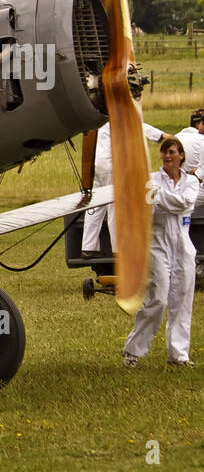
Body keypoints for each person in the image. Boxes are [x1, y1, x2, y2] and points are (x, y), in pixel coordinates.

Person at [122, 135, 201, 368]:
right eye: (165, 152)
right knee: (158, 298)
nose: (168, 156)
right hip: (157, 242)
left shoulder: (192, 182)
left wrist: (159, 196)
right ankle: (132, 351)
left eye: (172, 152)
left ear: (181, 156)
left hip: (183, 243)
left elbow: (186, 203)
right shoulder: (151, 179)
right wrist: (157, 197)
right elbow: (148, 205)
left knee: (183, 299)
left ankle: (178, 354)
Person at [81, 119, 165, 255]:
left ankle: (88, 247)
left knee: (95, 206)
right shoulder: (115, 115)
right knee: (115, 206)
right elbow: (136, 126)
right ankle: (117, 249)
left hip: (95, 164)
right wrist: (161, 135)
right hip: (110, 165)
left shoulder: (98, 117)